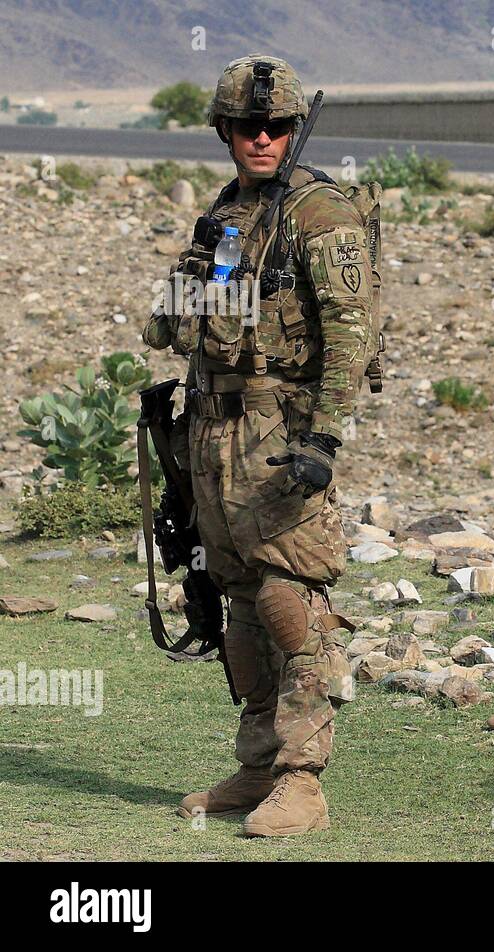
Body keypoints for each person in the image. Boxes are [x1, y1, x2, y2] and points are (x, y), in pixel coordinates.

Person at [142, 54, 380, 837]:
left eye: (277, 125)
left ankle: (302, 779)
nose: (264, 138)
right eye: (248, 125)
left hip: (281, 436)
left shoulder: (321, 213)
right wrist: (197, 261)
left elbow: (352, 335)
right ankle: (255, 767)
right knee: (236, 602)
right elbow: (165, 328)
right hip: (212, 433)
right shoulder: (226, 213)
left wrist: (325, 441)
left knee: (288, 598)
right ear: (225, 131)